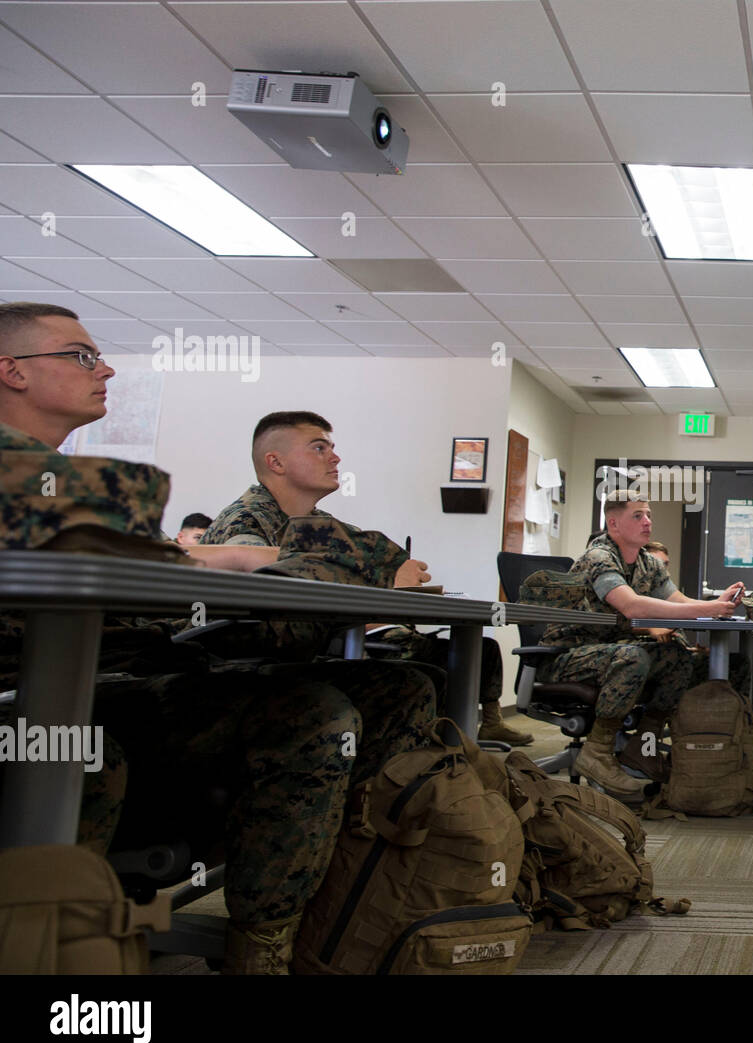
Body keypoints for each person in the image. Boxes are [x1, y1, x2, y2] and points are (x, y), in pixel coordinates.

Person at [0, 302, 439, 974]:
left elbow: (154, 551)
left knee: (393, 688)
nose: (107, 367)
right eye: (81, 356)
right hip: (49, 694)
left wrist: (229, 558)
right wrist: (246, 557)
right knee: (311, 715)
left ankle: (331, 909)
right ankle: (88, 949)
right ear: (13, 371)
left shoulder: (53, 477)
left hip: (124, 677)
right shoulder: (35, 479)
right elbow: (120, 536)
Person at [201, 411, 530, 745]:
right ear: (276, 462)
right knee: (408, 684)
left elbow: (372, 561)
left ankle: (421, 781)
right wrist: (379, 570)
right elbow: (260, 567)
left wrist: (389, 569)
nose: (335, 457)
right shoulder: (245, 518)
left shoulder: (317, 521)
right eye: (319, 448)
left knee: (419, 681)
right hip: (240, 665)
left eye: (331, 447)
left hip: (301, 654)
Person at [539, 491, 742, 800]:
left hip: (611, 653)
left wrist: (715, 603)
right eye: (638, 516)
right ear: (613, 523)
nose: (647, 521)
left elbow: (680, 602)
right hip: (568, 654)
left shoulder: (648, 562)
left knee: (676, 654)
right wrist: (706, 609)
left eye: (648, 515)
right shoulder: (599, 557)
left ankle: (642, 745)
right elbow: (631, 607)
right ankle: (597, 752)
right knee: (633, 656)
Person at [642, 541, 753, 766]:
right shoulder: (635, 594)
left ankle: (751, 736)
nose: (663, 571)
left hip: (680, 656)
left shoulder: (666, 595)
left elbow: (685, 613)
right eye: (657, 565)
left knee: (750, 662)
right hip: (657, 665)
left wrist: (695, 649)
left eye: (666, 565)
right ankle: (725, 741)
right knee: (737, 667)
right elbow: (624, 623)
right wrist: (650, 629)